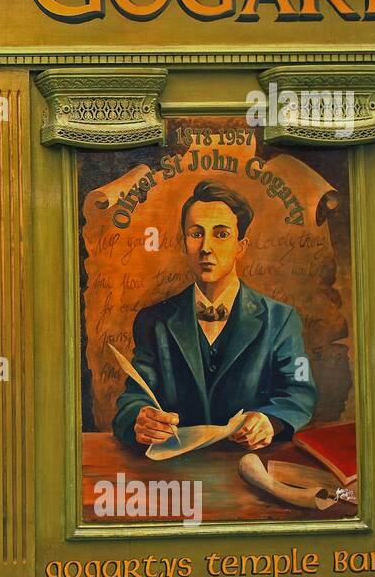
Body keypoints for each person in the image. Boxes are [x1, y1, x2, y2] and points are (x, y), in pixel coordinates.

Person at [112, 181, 317, 451]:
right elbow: (134, 397)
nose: (206, 247)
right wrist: (140, 419)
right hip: (173, 470)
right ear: (184, 243)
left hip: (252, 462)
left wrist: (270, 420)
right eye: (196, 234)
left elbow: (299, 390)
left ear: (240, 246)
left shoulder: (281, 319)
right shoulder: (154, 321)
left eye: (221, 234)